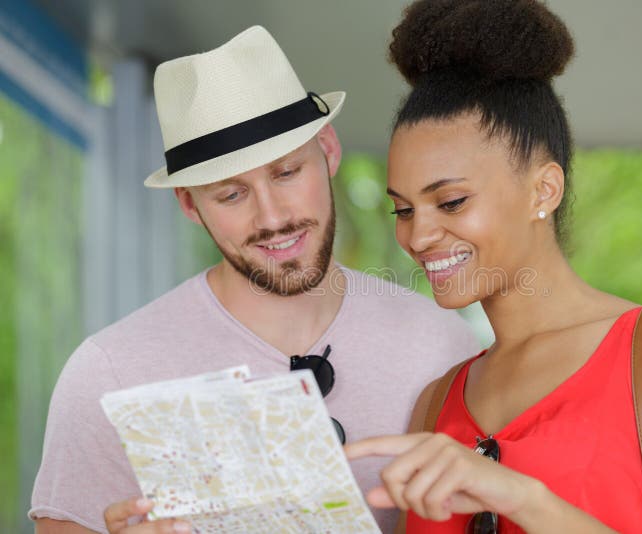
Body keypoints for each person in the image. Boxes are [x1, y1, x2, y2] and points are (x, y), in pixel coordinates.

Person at [30, 26, 479, 534]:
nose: (272, 218)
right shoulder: (107, 373)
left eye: (287, 173)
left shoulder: (442, 345)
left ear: (328, 150)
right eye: (231, 195)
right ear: (189, 205)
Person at [345, 0, 642, 532]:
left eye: (451, 202)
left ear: (544, 189)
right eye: (402, 209)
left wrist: (525, 499)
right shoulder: (434, 403)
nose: (417, 236)